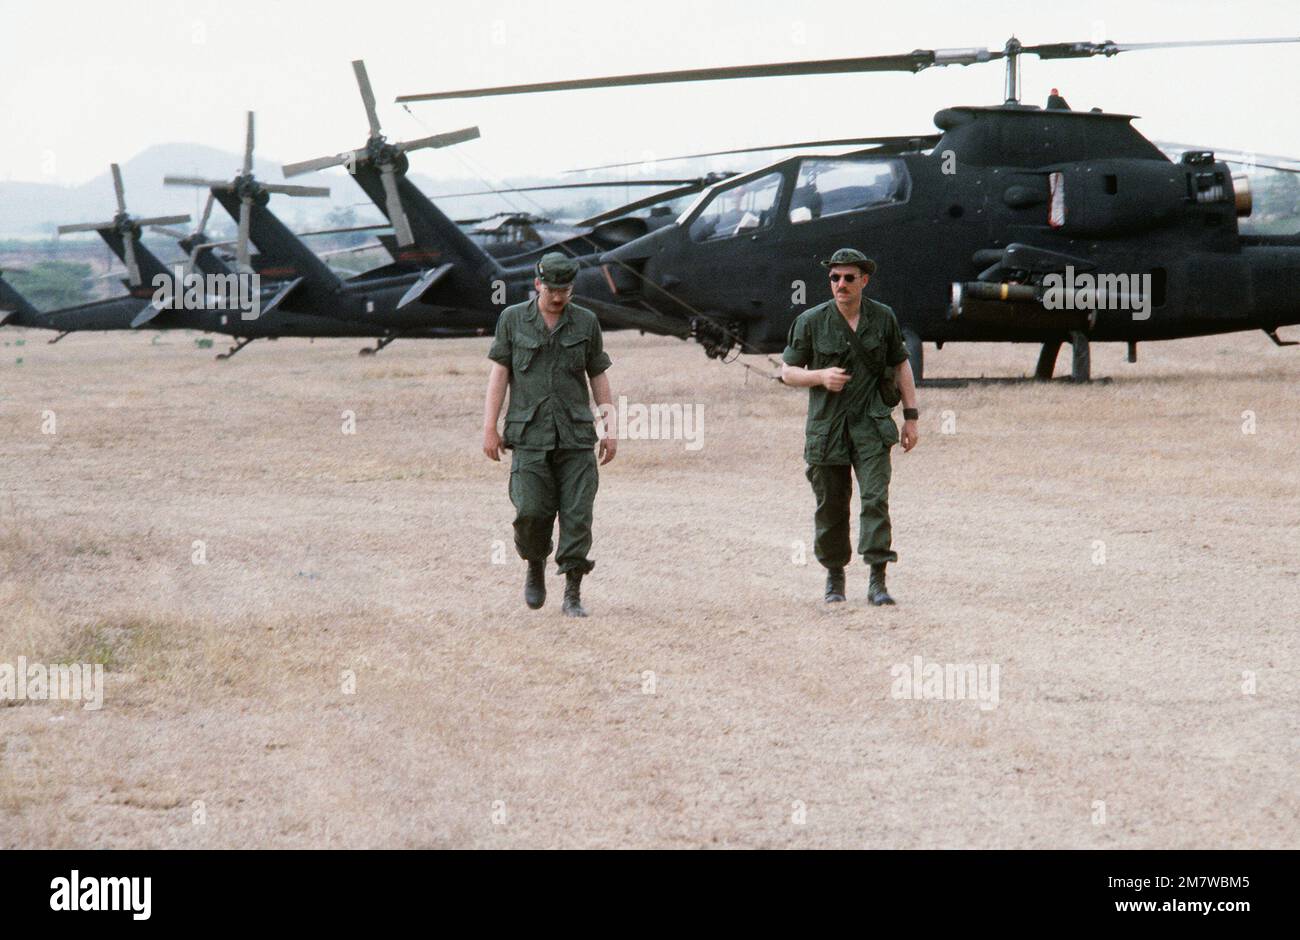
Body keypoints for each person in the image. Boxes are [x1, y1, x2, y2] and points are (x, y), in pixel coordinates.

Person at [780, 248, 920, 606]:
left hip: (871, 426)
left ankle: (877, 580)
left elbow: (901, 364)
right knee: (831, 505)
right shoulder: (811, 320)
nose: (841, 284)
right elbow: (787, 372)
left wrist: (911, 417)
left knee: (875, 499)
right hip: (827, 428)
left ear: (864, 280)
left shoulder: (882, 317)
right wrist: (819, 376)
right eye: (835, 278)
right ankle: (835, 577)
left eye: (849, 278)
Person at [482, 252, 616, 616]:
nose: (559, 296)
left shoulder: (586, 323)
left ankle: (572, 593)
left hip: (574, 435)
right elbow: (499, 375)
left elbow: (598, 374)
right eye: (553, 288)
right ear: (538, 283)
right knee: (531, 510)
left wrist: (610, 426)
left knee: (577, 514)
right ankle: (535, 563)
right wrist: (489, 427)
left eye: (566, 289)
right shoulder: (512, 320)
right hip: (529, 436)